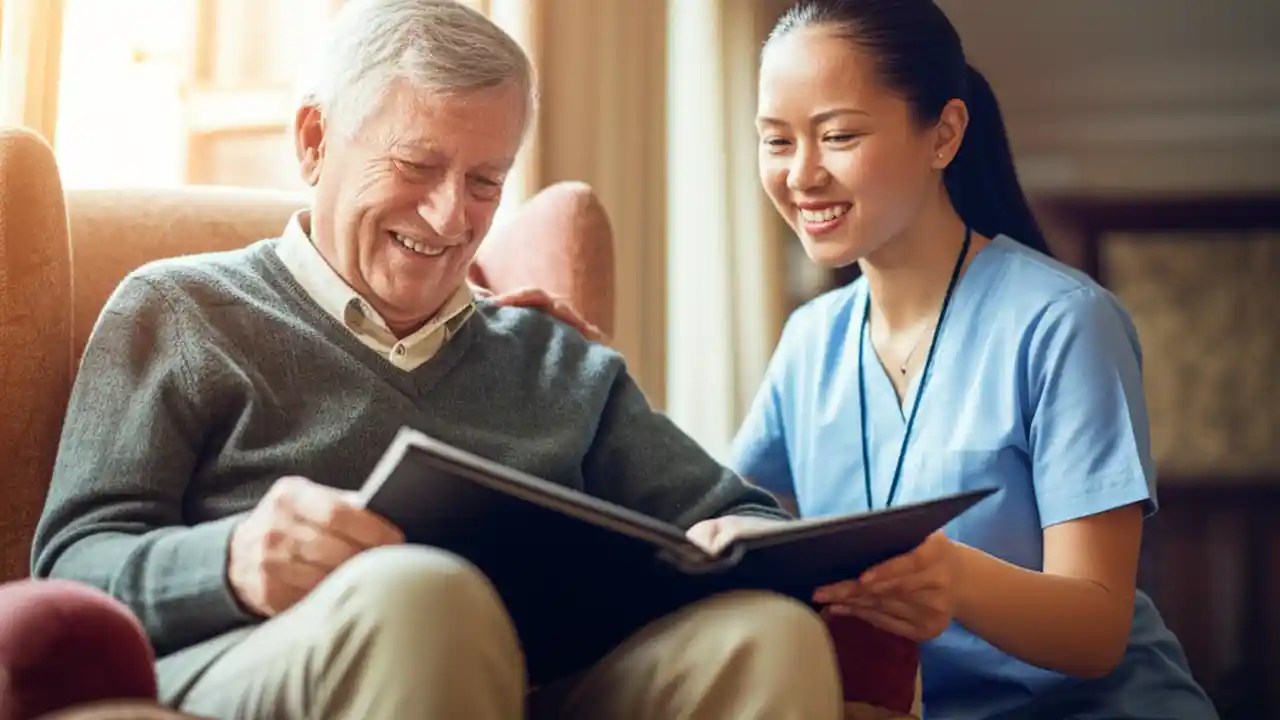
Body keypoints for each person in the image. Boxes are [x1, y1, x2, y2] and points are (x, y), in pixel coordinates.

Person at [30, 2, 849, 718]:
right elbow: (71, 565)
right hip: (262, 665)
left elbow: (745, 520)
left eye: (485, 182)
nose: (451, 216)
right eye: (416, 165)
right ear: (314, 141)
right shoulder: (177, 311)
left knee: (767, 637)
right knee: (421, 595)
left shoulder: (552, 357)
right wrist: (233, 560)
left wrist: (743, 539)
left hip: (536, 675)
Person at [730, 1, 1218, 717]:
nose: (801, 174)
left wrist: (953, 578)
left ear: (944, 134)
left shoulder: (1064, 323)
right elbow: (733, 515)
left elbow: (1097, 629)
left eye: (837, 136)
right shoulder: (810, 342)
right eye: (776, 140)